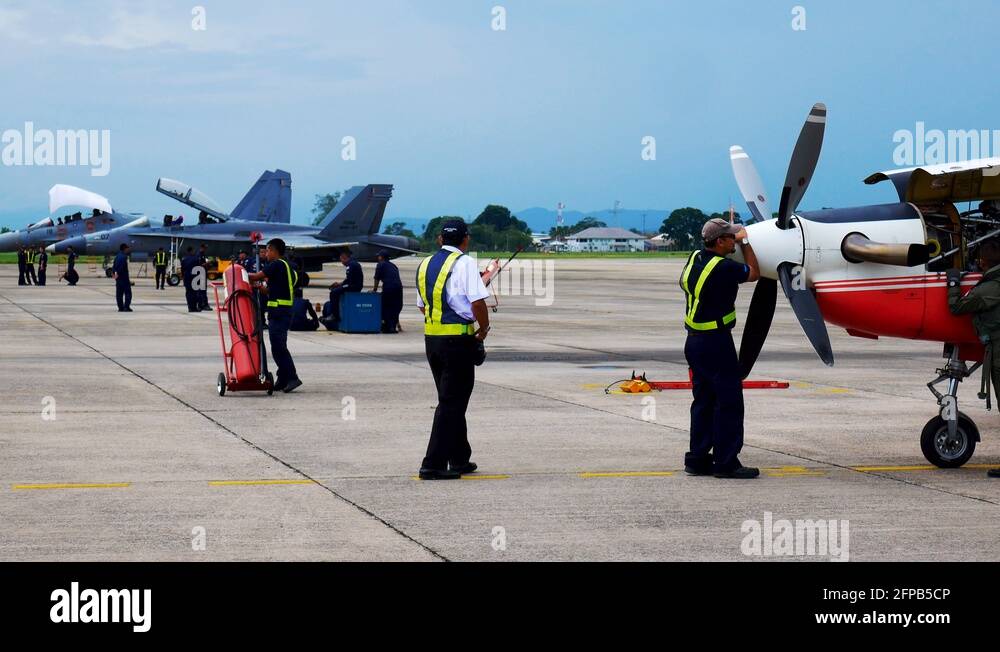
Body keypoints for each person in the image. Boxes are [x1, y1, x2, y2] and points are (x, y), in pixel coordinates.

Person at [681, 217, 760, 480]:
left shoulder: (695, 258)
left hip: (693, 342)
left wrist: (735, 238)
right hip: (716, 342)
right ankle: (726, 462)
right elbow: (753, 272)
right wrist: (747, 242)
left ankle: (697, 458)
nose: (733, 240)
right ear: (719, 241)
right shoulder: (723, 268)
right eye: (730, 237)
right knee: (729, 402)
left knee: (703, 401)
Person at [415, 220, 491, 480]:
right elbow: (478, 301)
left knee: (450, 400)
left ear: (439, 239)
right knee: (452, 403)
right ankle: (433, 464)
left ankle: (459, 457)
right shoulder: (465, 263)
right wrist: (484, 328)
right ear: (465, 240)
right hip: (457, 342)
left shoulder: (425, 264)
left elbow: (422, 306)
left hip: (432, 341)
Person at [947, 238, 1000, 478]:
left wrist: (953, 282)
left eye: (980, 258)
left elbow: (957, 308)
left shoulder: (992, 287)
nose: (977, 262)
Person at [249, 238, 302, 393]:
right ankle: (283, 378)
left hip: (279, 313)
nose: (265, 254)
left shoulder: (276, 264)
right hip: (281, 312)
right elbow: (271, 290)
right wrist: (260, 288)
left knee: (278, 347)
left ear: (273, 250)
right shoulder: (285, 267)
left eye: (267, 250)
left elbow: (256, 276)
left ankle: (292, 377)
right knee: (278, 347)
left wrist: (239, 272)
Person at [326, 250, 364, 329]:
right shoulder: (353, 263)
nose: (341, 262)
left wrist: (340, 286)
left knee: (333, 293)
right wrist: (339, 284)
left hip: (354, 286)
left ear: (344, 258)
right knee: (337, 289)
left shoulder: (350, 265)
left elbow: (349, 281)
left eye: (341, 260)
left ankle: (335, 315)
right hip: (354, 285)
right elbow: (349, 279)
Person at [373, 249, 403, 333]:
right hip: (398, 288)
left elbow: (376, 278)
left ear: (381, 257)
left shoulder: (380, 264)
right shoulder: (393, 265)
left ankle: (387, 326)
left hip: (389, 287)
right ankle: (393, 326)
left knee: (385, 306)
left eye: (378, 256)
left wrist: (374, 290)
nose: (377, 257)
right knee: (395, 307)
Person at [112, 243, 133, 312]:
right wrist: (119, 273)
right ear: (125, 249)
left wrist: (115, 274)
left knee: (119, 294)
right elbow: (121, 268)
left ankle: (120, 307)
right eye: (127, 248)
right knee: (128, 293)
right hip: (124, 278)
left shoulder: (117, 256)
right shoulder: (124, 257)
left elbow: (114, 266)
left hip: (118, 278)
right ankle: (126, 307)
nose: (128, 250)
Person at [180, 246, 201, 312]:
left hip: (187, 278)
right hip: (194, 278)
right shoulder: (196, 259)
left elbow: (182, 269)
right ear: (191, 251)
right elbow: (198, 269)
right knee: (195, 293)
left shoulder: (184, 259)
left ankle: (190, 307)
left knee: (188, 293)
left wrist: (183, 277)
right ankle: (194, 307)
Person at [197, 244, 212, 310]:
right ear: (202, 248)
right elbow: (199, 264)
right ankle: (203, 305)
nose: (206, 249)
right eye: (205, 248)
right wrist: (207, 263)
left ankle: (201, 305)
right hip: (201, 274)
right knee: (202, 291)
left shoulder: (202, 254)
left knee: (201, 291)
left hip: (202, 274)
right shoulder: (199, 255)